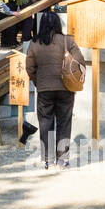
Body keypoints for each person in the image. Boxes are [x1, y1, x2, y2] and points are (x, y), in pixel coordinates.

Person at [25, 11, 85, 169]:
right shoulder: (67, 40)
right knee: (64, 122)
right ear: (58, 24)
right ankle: (62, 159)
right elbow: (80, 62)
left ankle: (48, 160)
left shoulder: (34, 43)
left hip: (45, 88)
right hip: (66, 87)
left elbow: (29, 68)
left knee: (45, 123)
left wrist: (39, 82)